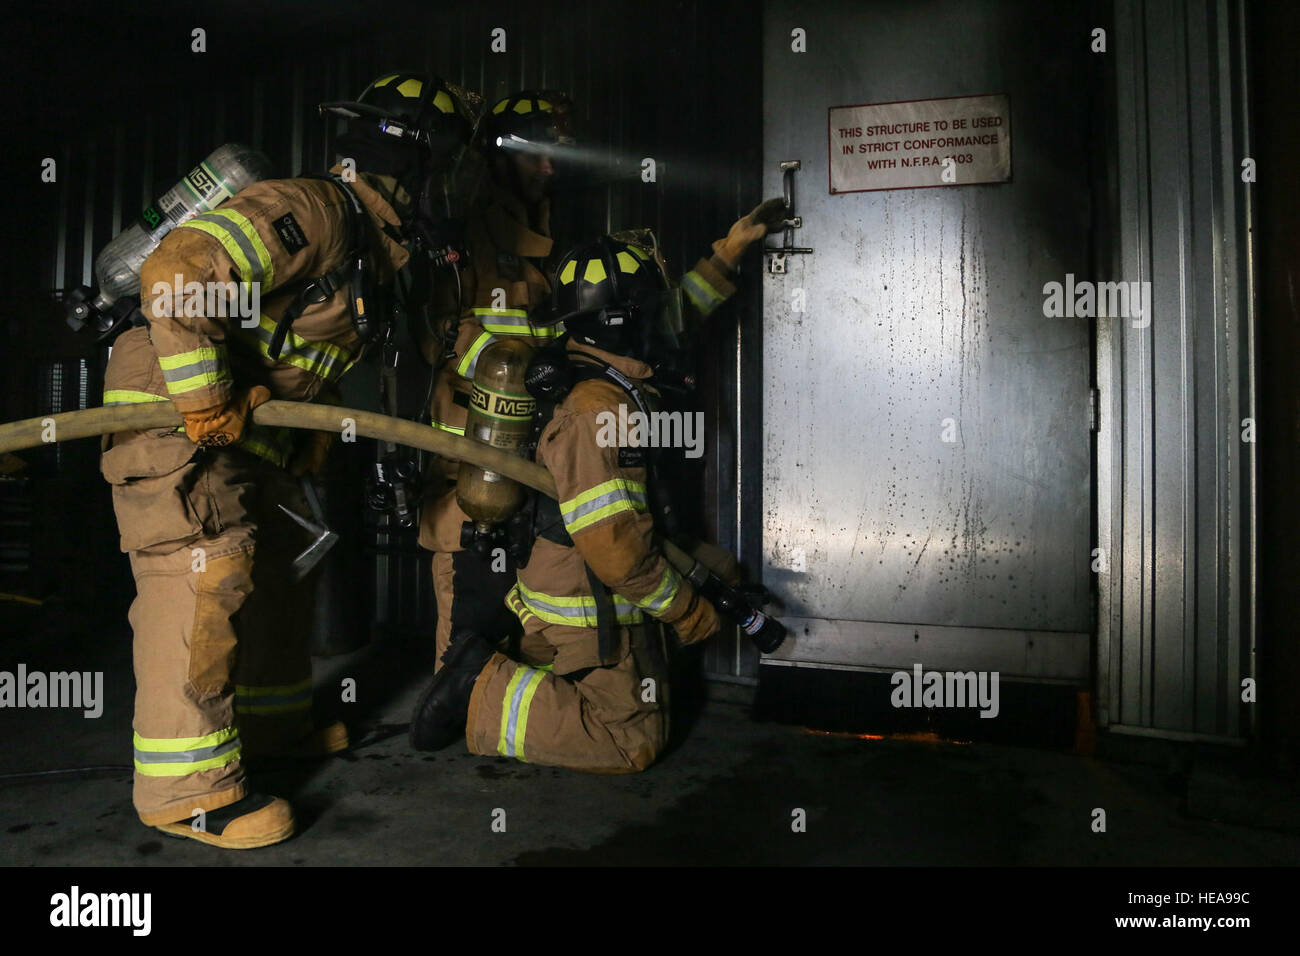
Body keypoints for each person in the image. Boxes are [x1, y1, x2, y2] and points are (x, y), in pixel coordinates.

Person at [99, 72, 471, 848]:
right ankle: (184, 791)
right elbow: (177, 275)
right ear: (420, 161)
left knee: (276, 575)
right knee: (203, 571)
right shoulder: (313, 209)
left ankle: (270, 731)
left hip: (249, 425)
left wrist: (295, 437)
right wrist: (201, 402)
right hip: (171, 399)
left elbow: (298, 345)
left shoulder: (379, 247)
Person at [410, 216, 785, 771]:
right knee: (630, 742)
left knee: (721, 573)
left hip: (567, 588)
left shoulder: (606, 376)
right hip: (582, 600)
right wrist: (686, 613)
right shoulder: (600, 408)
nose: (666, 322)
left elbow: (676, 316)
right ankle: (479, 688)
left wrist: (727, 253)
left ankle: (522, 662)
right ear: (622, 322)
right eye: (653, 312)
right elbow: (615, 550)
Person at [417, 91, 577, 672]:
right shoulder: (468, 227)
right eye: (537, 155)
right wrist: (515, 366)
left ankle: (515, 719)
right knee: (474, 604)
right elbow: (437, 328)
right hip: (471, 449)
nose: (550, 168)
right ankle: (459, 712)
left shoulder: (539, 229)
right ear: (501, 156)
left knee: (523, 596)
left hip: (525, 445)